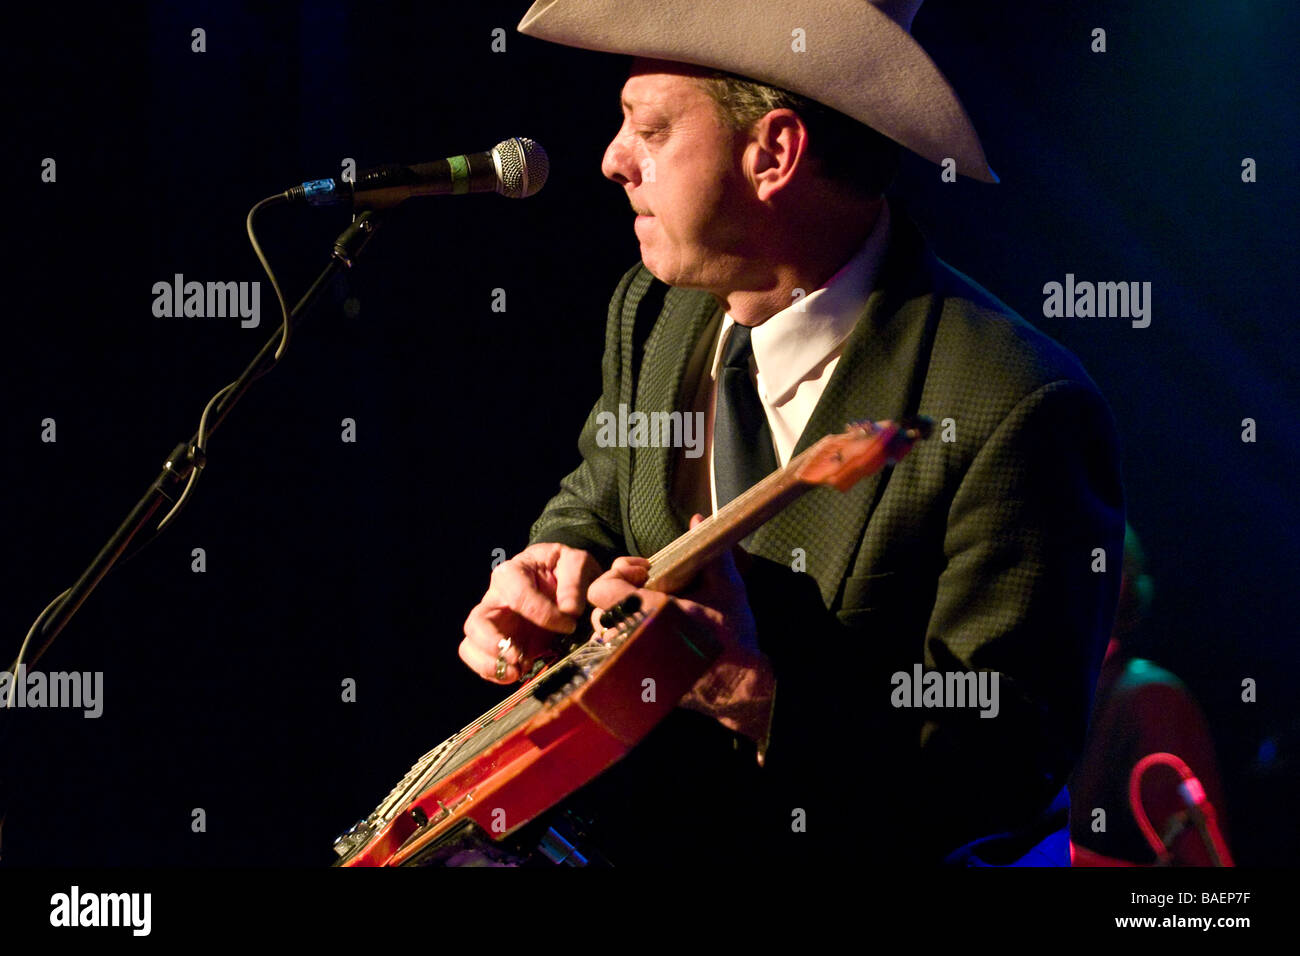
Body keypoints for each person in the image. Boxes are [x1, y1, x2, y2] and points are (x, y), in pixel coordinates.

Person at [459, 0, 1125, 865]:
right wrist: (549, 568)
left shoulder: (1016, 403)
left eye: (650, 130)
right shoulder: (654, 307)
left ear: (773, 153)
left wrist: (756, 692)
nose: (612, 160)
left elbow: (1002, 764)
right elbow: (599, 496)